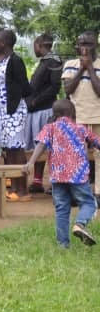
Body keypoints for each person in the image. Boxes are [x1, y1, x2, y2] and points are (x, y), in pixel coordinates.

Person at [22, 100, 98, 248]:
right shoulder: (80, 128)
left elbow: (41, 144)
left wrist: (30, 162)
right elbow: (96, 141)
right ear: (72, 114)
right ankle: (80, 224)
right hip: (78, 175)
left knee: (62, 208)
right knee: (89, 203)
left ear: (54, 114)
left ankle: (63, 245)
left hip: (57, 176)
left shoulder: (50, 128)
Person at [0, 29, 32, 201]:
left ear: (3, 43)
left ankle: (23, 190)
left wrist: (12, 106)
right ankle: (14, 187)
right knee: (9, 149)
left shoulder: (15, 61)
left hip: (14, 110)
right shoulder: (5, 61)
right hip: (5, 112)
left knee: (17, 149)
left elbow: (24, 86)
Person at [62, 30, 100, 192]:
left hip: (98, 116)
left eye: (89, 44)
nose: (85, 48)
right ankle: (79, 191)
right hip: (77, 117)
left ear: (96, 46)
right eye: (81, 44)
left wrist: (90, 67)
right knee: (77, 155)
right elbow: (68, 90)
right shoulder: (70, 65)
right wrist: (81, 69)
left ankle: (98, 192)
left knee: (99, 157)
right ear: (77, 47)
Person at [25, 33, 61, 193]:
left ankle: (55, 183)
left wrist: (35, 101)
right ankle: (37, 181)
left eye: (35, 45)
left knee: (49, 147)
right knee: (37, 146)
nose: (34, 49)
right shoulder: (45, 62)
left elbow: (54, 87)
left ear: (39, 44)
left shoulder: (54, 62)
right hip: (35, 110)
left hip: (45, 110)